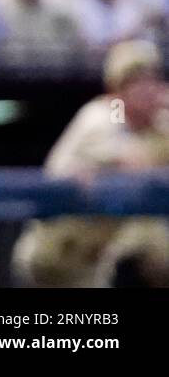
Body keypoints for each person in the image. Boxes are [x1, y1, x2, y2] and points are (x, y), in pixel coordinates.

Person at [13, 40, 169, 286]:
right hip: (53, 256)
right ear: (117, 89)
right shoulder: (102, 115)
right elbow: (136, 161)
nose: (151, 90)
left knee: (158, 244)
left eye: (153, 80)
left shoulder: (149, 128)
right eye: (138, 82)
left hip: (91, 260)